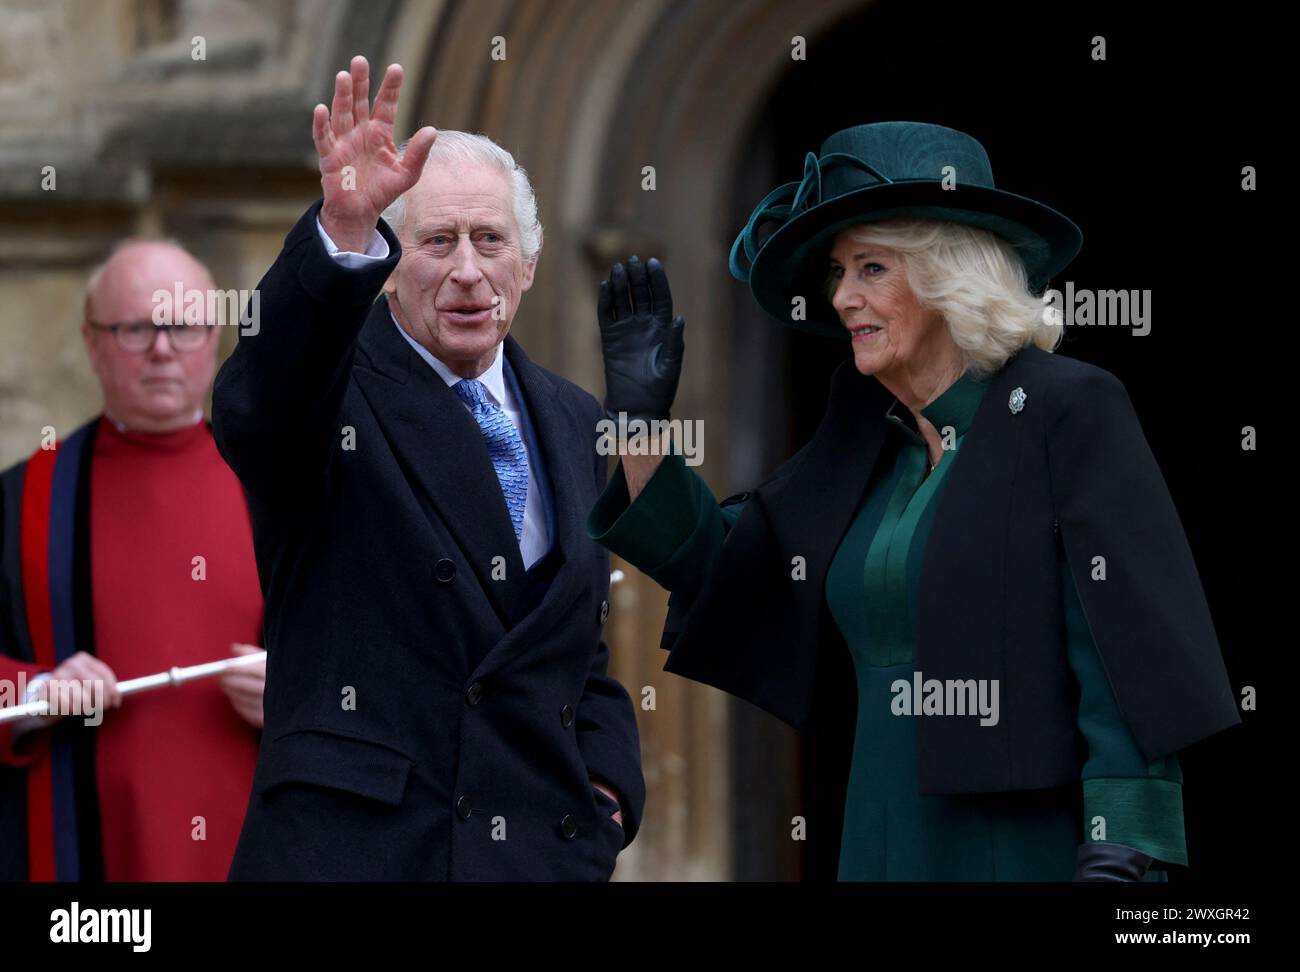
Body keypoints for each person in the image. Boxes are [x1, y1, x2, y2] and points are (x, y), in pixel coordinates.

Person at [588, 121, 1240, 881]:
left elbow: (1123, 642)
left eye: (871, 268)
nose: (842, 298)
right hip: (879, 833)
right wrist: (637, 425)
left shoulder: (1065, 407)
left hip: (1024, 847)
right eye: (838, 272)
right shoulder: (865, 432)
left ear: (947, 274)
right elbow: (722, 564)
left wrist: (1120, 846)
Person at [212, 56, 643, 881]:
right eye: (437, 242)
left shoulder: (575, 418)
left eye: (490, 240)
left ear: (531, 261)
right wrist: (340, 232)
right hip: (365, 851)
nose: (468, 272)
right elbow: (254, 407)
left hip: (532, 858)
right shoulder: (332, 391)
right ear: (390, 261)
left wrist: (608, 789)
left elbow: (578, 651)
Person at [0, 240, 266, 881]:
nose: (162, 348)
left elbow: (388, 669)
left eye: (183, 325)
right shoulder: (20, 500)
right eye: (136, 328)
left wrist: (305, 694)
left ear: (216, 335)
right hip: (84, 865)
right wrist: (33, 692)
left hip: (258, 844)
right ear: (92, 342)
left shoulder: (285, 488)